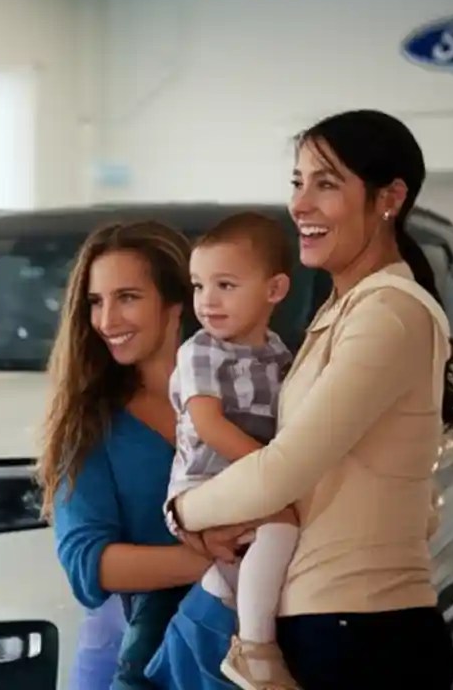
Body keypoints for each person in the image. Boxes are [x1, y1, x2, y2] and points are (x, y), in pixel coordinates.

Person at [150, 109, 453, 690]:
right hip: (335, 624)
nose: (300, 204)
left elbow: (282, 471)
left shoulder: (388, 313)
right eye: (297, 182)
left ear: (389, 198)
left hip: (361, 632)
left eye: (326, 184)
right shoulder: (345, 308)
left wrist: (182, 513)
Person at [39, 220, 214, 689]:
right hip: (143, 656)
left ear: (176, 301)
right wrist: (221, 563)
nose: (107, 321)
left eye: (127, 298)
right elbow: (89, 564)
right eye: (96, 302)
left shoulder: (245, 393)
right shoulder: (91, 421)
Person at [166, 212, 299, 690]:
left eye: (225, 285)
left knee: (267, 549)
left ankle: (222, 594)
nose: (207, 300)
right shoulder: (200, 351)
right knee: (281, 522)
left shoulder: (280, 355)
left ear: (274, 289)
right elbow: (208, 423)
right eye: (199, 286)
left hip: (246, 478)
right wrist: (272, 469)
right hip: (204, 481)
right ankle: (255, 647)